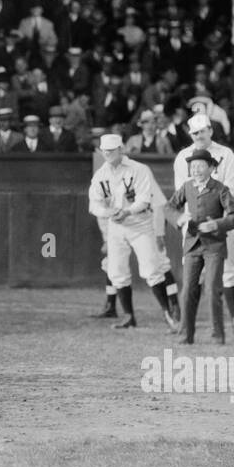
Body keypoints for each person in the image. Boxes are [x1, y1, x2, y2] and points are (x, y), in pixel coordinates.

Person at [88, 133, 181, 331]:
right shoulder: (101, 175)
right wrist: (109, 212)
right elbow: (94, 205)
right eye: (105, 151)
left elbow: (147, 201)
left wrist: (155, 230)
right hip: (116, 226)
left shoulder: (139, 169)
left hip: (141, 224)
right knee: (116, 271)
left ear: (121, 149)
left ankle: (169, 312)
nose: (108, 154)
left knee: (153, 269)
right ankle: (129, 316)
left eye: (112, 150)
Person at [173, 113, 234, 335]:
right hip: (193, 223)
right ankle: (187, 326)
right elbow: (183, 190)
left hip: (220, 218)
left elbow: (231, 189)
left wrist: (215, 210)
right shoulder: (183, 156)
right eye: (195, 132)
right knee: (191, 276)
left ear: (210, 130)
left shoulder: (225, 154)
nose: (199, 135)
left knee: (229, 271)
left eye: (203, 131)